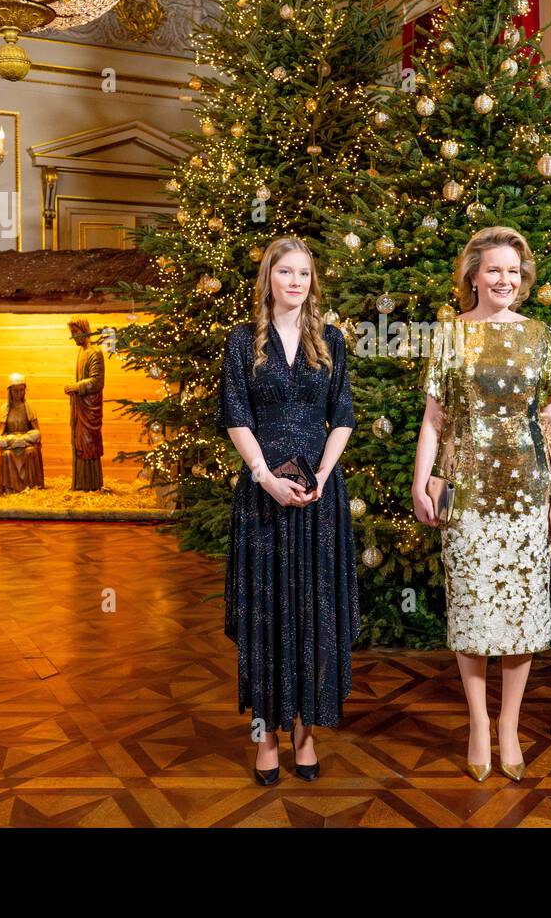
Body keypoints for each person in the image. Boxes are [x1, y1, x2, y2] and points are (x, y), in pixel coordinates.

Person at [412, 226, 551, 782]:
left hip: (527, 493)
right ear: (473, 276)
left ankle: (510, 725)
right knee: (474, 611)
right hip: (467, 492)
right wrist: (422, 481)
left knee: (523, 616)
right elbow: (436, 419)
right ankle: (479, 722)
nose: (505, 279)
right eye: (494, 270)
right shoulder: (450, 335)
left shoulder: (537, 336)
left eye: (514, 271)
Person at [217, 236, 359, 786]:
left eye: (303, 273)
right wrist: (265, 477)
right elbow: (236, 415)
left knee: (312, 612)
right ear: (268, 280)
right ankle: (266, 736)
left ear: (311, 282)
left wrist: (322, 476)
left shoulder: (332, 342)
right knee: (267, 612)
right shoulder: (240, 342)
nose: (295, 282)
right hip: (263, 496)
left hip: (320, 498)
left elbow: (342, 413)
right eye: (285, 272)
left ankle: (305, 734)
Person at [64, 316, 105, 491]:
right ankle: (81, 483)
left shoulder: (94, 353)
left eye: (75, 332)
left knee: (88, 444)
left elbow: (97, 382)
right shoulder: (82, 352)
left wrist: (77, 387)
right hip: (81, 407)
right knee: (80, 443)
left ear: (84, 330)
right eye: (71, 333)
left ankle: (91, 484)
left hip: (90, 408)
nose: (73, 337)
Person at [0, 372, 44, 494]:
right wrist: (9, 439)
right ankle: (10, 488)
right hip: (11, 443)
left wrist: (24, 439)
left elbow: (37, 432)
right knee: (6, 454)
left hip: (26, 441)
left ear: (24, 390)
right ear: (10, 391)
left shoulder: (29, 407)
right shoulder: (4, 408)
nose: (18, 393)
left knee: (31, 451)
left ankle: (32, 487)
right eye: (15, 390)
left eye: (21, 390)